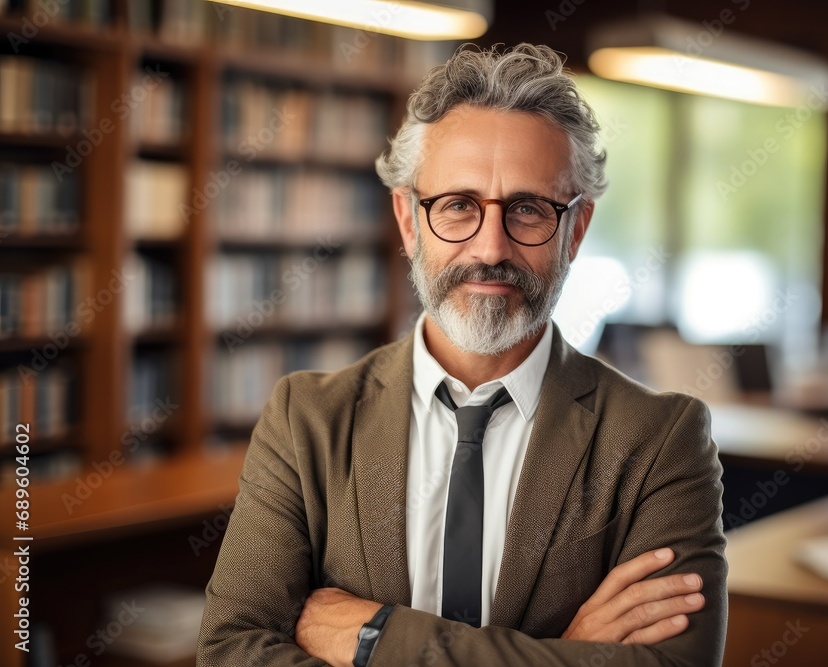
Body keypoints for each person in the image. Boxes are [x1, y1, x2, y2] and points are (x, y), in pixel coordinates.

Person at [197, 43, 727, 667]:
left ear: (576, 229)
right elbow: (230, 650)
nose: (491, 248)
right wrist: (563, 655)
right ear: (408, 220)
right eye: (457, 206)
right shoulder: (305, 418)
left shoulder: (661, 439)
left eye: (528, 210)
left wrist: (376, 638)